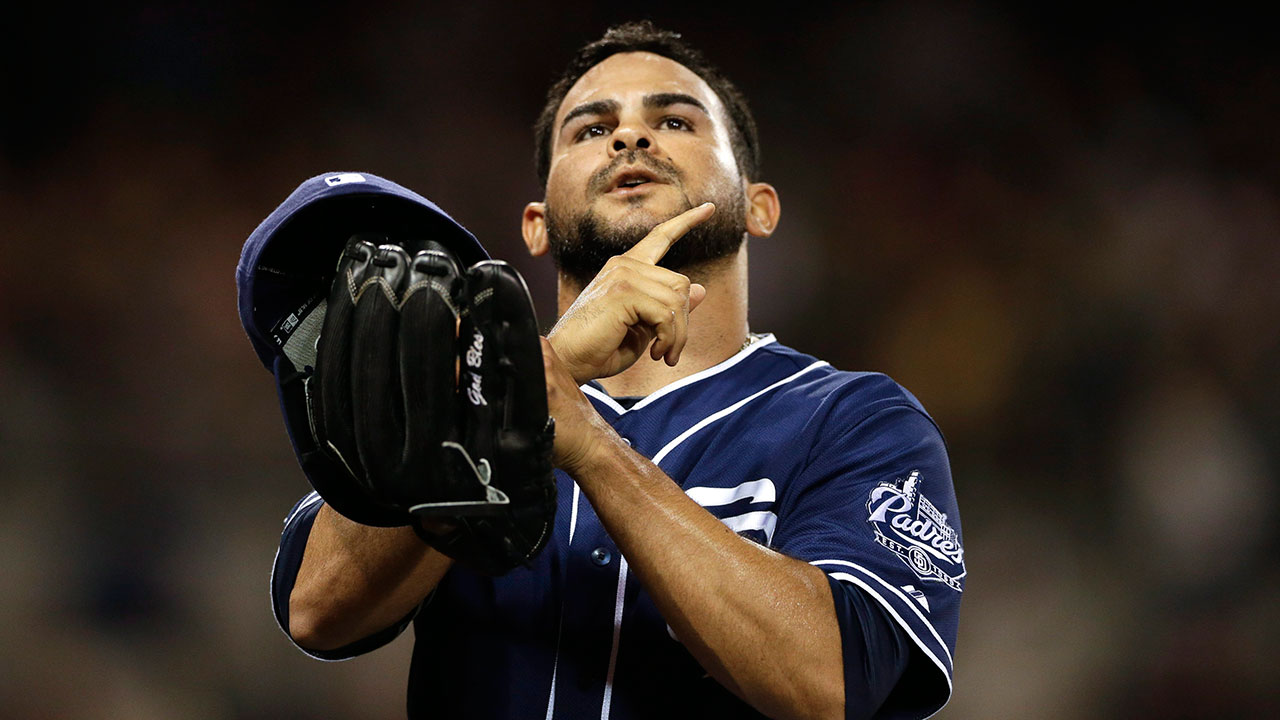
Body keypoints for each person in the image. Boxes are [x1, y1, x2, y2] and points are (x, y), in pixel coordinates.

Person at [271, 21, 964, 720]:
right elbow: (317, 610)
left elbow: (835, 682)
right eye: (590, 129)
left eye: (674, 119)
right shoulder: (456, 390)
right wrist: (535, 379)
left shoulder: (857, 419)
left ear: (758, 205)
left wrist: (593, 448)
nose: (631, 137)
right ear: (536, 223)